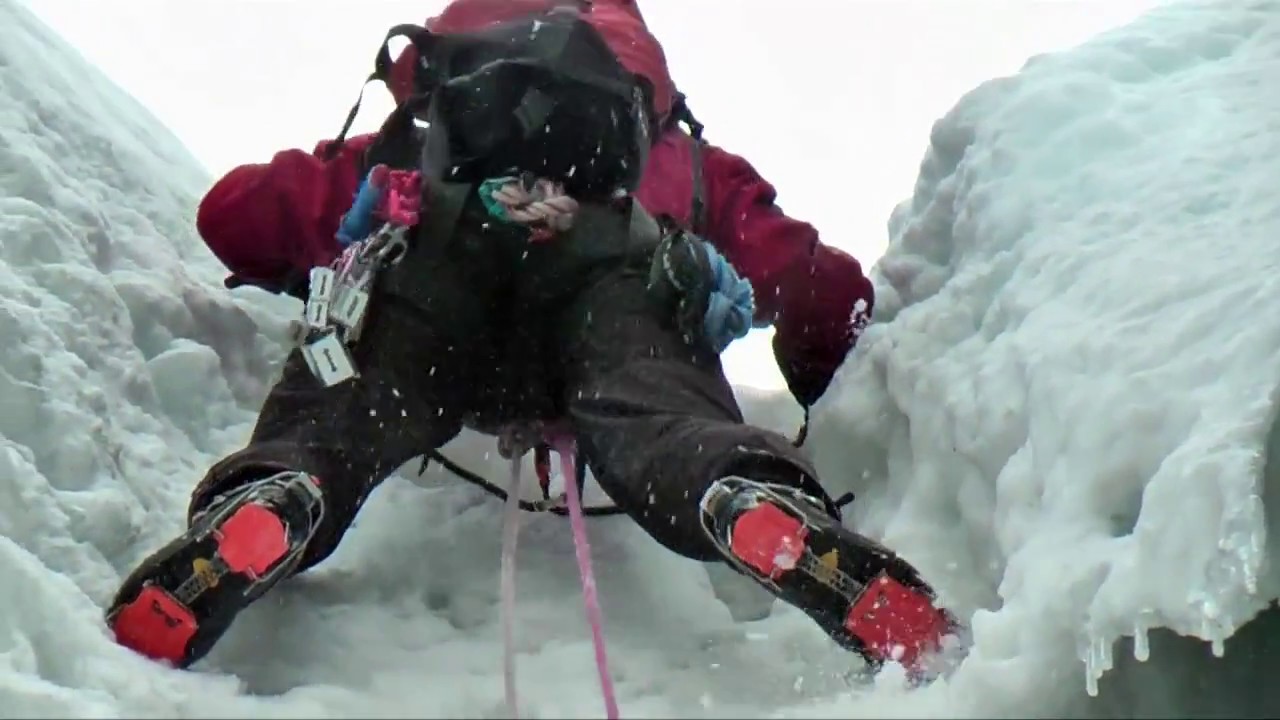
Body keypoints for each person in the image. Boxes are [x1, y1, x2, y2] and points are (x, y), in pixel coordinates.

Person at [106, 0, 957, 679]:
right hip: (614, 284)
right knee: (659, 414)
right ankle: (744, 495)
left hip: (435, 284)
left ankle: (278, 496)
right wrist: (822, 380)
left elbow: (234, 215)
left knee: (348, 411)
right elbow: (823, 291)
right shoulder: (684, 162)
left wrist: (329, 242)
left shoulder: (421, 139)